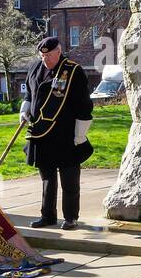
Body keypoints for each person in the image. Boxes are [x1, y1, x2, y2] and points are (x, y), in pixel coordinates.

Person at [21, 37, 93, 230]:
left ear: (58, 52)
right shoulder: (35, 68)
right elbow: (29, 93)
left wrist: (80, 135)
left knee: (69, 179)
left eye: (49, 55)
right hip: (41, 133)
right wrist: (24, 109)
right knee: (47, 179)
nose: (45, 59)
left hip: (65, 135)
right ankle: (47, 216)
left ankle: (71, 217)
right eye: (42, 55)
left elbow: (84, 105)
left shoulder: (72, 71)